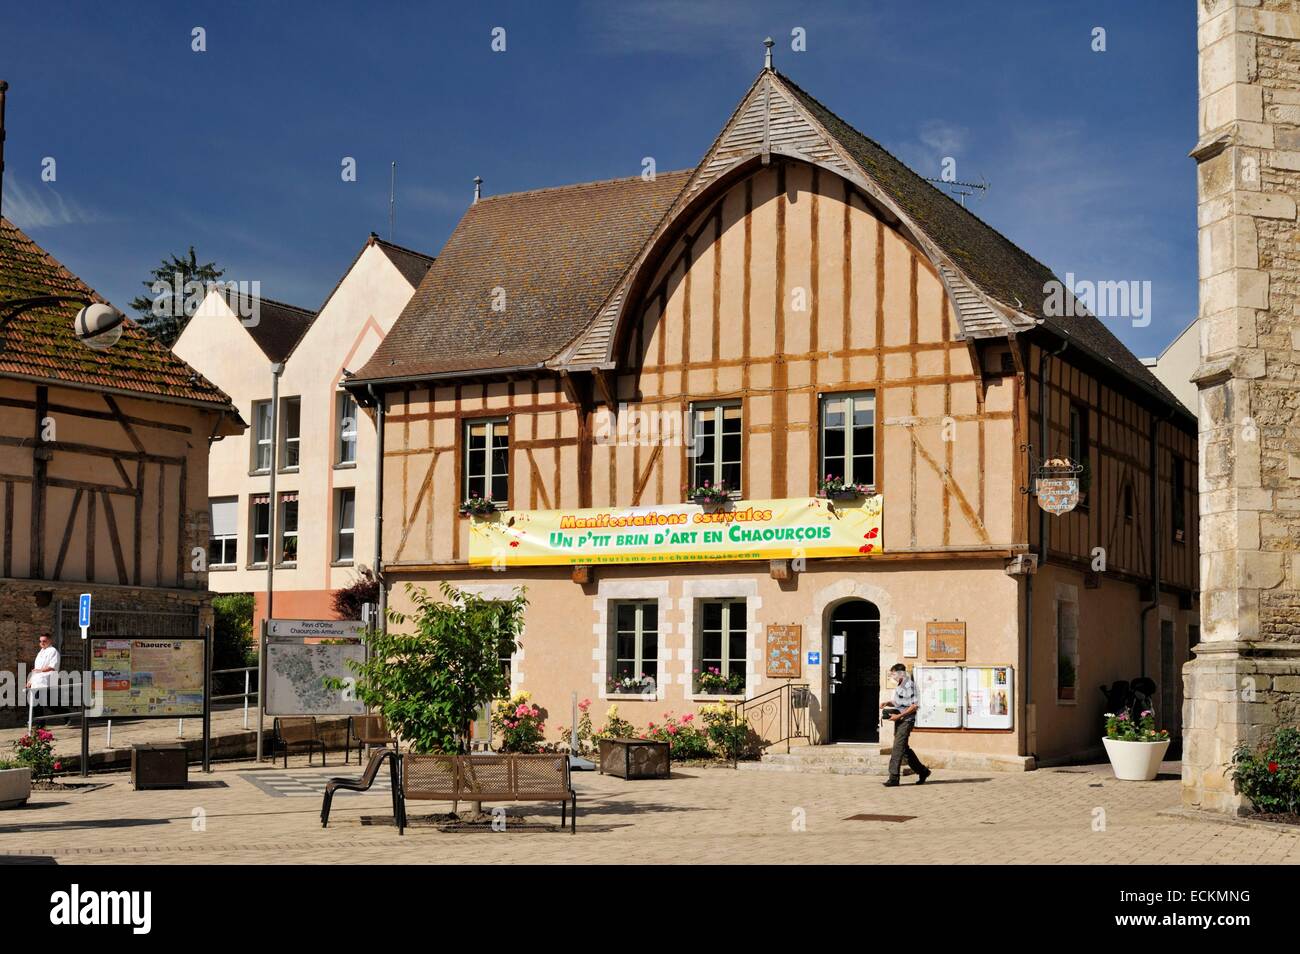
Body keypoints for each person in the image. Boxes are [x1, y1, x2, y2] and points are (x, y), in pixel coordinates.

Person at [880, 662, 931, 787]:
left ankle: (893, 778)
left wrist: (899, 716)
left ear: (900, 673)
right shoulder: (901, 685)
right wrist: (888, 703)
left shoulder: (909, 685)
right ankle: (923, 771)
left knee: (897, 748)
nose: (892, 677)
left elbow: (914, 706)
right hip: (900, 720)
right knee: (904, 749)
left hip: (906, 721)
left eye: (893, 674)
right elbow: (901, 703)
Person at [24, 633, 61, 725]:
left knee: (50, 704)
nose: (42, 643)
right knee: (36, 702)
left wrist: (40, 670)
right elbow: (36, 669)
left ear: (50, 641)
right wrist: (30, 680)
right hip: (37, 682)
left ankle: (66, 714)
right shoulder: (40, 652)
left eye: (44, 641)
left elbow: (53, 666)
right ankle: (40, 723)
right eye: (40, 641)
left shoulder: (53, 651)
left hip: (47, 681)